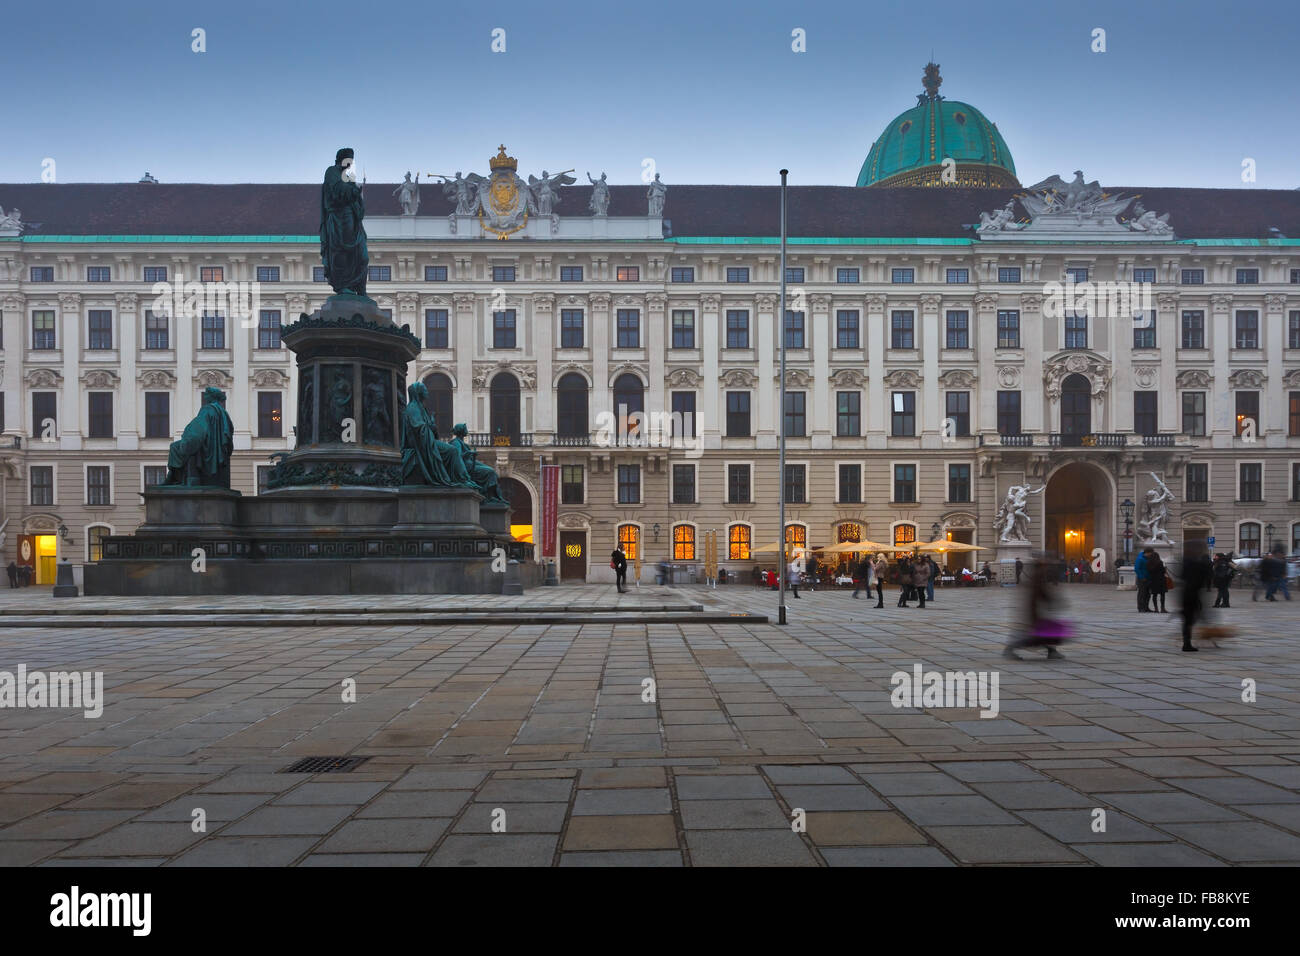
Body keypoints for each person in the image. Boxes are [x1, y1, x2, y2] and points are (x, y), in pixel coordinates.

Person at [1005, 558, 1068, 660]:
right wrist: (1052, 601)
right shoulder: (1038, 577)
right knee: (1036, 637)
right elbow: (1042, 593)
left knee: (1042, 635)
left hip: (1035, 613)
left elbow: (1041, 593)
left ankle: (1052, 651)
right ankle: (1010, 649)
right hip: (1035, 614)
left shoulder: (1036, 577)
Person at [1178, 540, 1212, 652]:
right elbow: (1203, 576)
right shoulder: (1194, 562)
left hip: (1187, 593)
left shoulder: (1186, 561)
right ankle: (1187, 643)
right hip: (1191, 594)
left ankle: (1187, 642)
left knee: (1190, 619)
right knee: (1190, 619)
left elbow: (1182, 576)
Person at [1135, 547, 1151, 612]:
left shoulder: (1148, 558)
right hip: (1142, 579)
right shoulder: (1140, 558)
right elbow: (1137, 569)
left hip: (1148, 578)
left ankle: (1146, 607)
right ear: (1146, 553)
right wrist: (1141, 577)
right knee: (1142, 593)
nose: (1151, 555)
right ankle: (1141, 607)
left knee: (1148, 594)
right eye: (1150, 554)